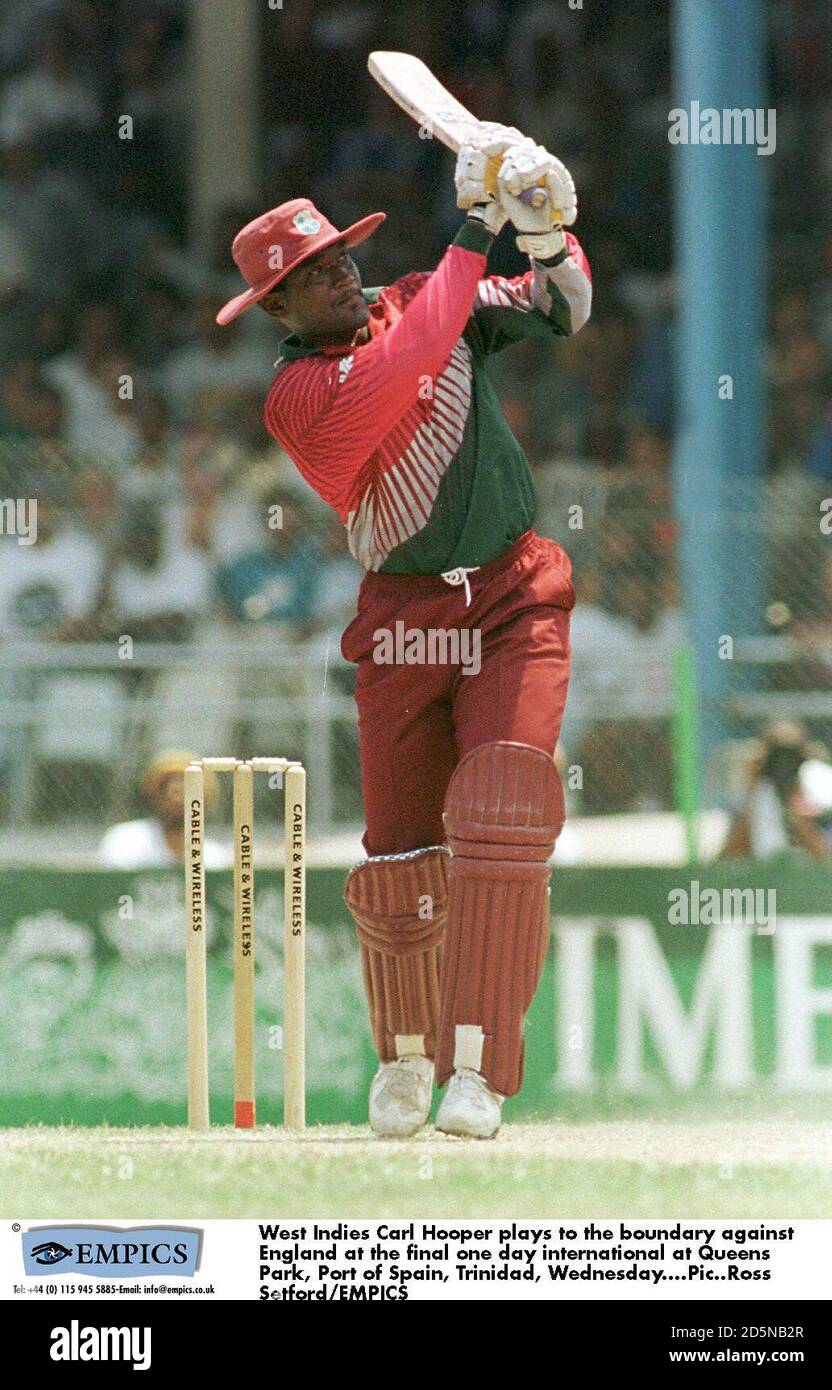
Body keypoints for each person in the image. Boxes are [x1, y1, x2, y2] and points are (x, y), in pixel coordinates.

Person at [218, 127, 591, 1138]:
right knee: (398, 860)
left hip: (514, 596)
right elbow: (412, 359)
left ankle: (478, 1071)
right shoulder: (298, 398)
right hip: (403, 618)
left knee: (507, 809)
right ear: (276, 308)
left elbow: (564, 309)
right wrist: (476, 223)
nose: (338, 276)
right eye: (309, 274)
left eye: (340, 255)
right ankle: (407, 1059)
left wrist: (544, 228)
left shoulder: (423, 293)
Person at [719, 721, 832, 861]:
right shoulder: (750, 798)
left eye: (791, 759)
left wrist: (796, 808)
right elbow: (726, 860)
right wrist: (754, 793)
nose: (782, 767)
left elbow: (831, 863)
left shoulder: (829, 795)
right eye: (774, 760)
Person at [99, 750, 229, 869]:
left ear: (204, 801)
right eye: (167, 788)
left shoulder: (215, 858)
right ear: (153, 795)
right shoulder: (125, 841)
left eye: (186, 790)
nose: (176, 797)